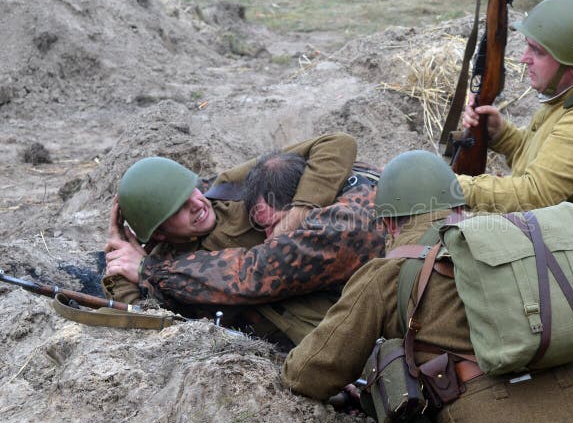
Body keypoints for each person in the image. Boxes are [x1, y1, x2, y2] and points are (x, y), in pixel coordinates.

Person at [282, 150, 573, 423]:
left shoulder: (388, 272)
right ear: (459, 208)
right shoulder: (517, 244)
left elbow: (311, 372)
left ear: (389, 223)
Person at [103, 133, 386, 348]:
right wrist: (119, 261)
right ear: (159, 234)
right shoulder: (167, 265)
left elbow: (336, 144)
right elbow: (143, 321)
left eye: (192, 190)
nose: (197, 203)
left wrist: (297, 215)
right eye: (178, 207)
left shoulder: (229, 187)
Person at [458, 0, 573, 293]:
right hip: (563, 265)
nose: (524, 58)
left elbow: (536, 194)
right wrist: (501, 135)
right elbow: (545, 160)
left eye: (537, 51)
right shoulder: (569, 98)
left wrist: (453, 187)